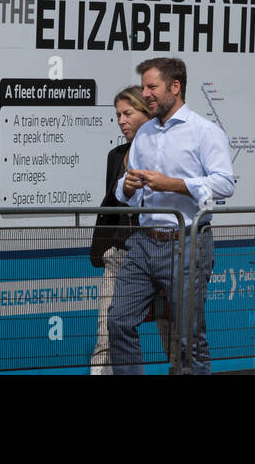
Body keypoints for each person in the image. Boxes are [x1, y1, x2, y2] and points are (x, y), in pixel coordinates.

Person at [108, 57, 234, 375]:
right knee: (119, 321)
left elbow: (224, 183)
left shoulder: (205, 132)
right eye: (143, 87)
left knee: (188, 339)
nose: (146, 94)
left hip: (187, 243)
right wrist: (127, 185)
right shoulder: (145, 134)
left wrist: (175, 186)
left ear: (174, 87)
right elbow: (129, 195)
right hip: (144, 243)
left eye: (152, 87)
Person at [89, 86, 171, 374]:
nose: (121, 120)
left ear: (146, 113)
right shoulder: (116, 156)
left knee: (174, 335)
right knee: (107, 334)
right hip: (121, 257)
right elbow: (111, 203)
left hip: (161, 253)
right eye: (118, 115)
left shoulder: (167, 153)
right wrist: (106, 247)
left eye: (127, 113)